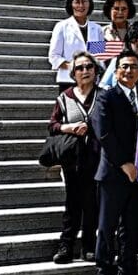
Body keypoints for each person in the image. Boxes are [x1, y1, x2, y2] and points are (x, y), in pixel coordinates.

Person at [90, 49, 138, 275]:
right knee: (107, 227)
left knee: (133, 228)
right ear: (116, 71)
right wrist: (124, 163)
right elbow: (104, 133)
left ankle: (128, 273)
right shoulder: (106, 97)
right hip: (114, 173)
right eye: (124, 66)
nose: (129, 71)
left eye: (133, 67)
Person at [48, 51, 100, 263]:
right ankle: (66, 246)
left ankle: (89, 246)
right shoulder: (64, 98)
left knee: (92, 204)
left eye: (89, 67)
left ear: (95, 71)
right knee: (72, 204)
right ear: (73, 73)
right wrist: (68, 127)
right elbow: (52, 126)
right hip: (73, 160)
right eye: (80, 68)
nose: (85, 71)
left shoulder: (103, 95)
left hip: (97, 158)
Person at [49, 0, 103, 89]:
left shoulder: (97, 29)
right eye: (77, 2)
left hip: (92, 82)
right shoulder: (62, 27)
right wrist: (76, 68)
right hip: (69, 81)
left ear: (89, 4)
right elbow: (54, 56)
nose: (81, 5)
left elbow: (98, 56)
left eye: (84, 1)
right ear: (71, 4)